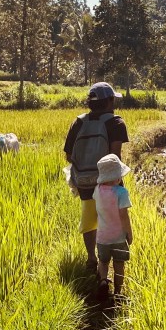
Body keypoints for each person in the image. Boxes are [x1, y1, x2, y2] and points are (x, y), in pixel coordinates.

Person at [63, 83, 129, 274]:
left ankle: (92, 259)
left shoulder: (79, 122)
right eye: (113, 99)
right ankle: (109, 263)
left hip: (84, 180)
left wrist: (84, 169)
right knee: (112, 220)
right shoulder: (116, 123)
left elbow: (68, 154)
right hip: (108, 182)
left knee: (89, 218)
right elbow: (115, 156)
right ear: (108, 101)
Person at [93, 154, 133, 299]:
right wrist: (129, 233)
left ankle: (103, 281)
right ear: (118, 177)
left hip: (102, 236)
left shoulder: (97, 190)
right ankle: (117, 292)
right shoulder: (121, 192)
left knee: (103, 262)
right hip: (118, 237)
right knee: (119, 263)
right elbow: (124, 216)